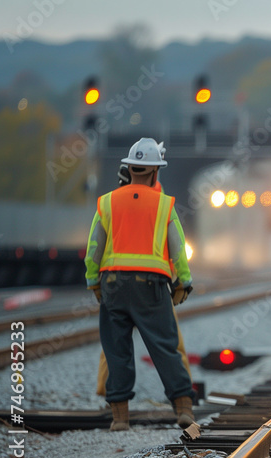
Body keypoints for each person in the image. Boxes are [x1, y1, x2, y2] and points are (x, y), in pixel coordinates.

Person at [85, 137, 195, 431]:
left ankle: (120, 418)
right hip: (151, 286)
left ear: (129, 168)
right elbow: (177, 249)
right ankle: (183, 408)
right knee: (165, 347)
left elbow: (94, 247)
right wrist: (183, 281)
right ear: (155, 171)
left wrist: (93, 281)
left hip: (113, 284)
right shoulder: (164, 204)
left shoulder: (107, 202)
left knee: (116, 350)